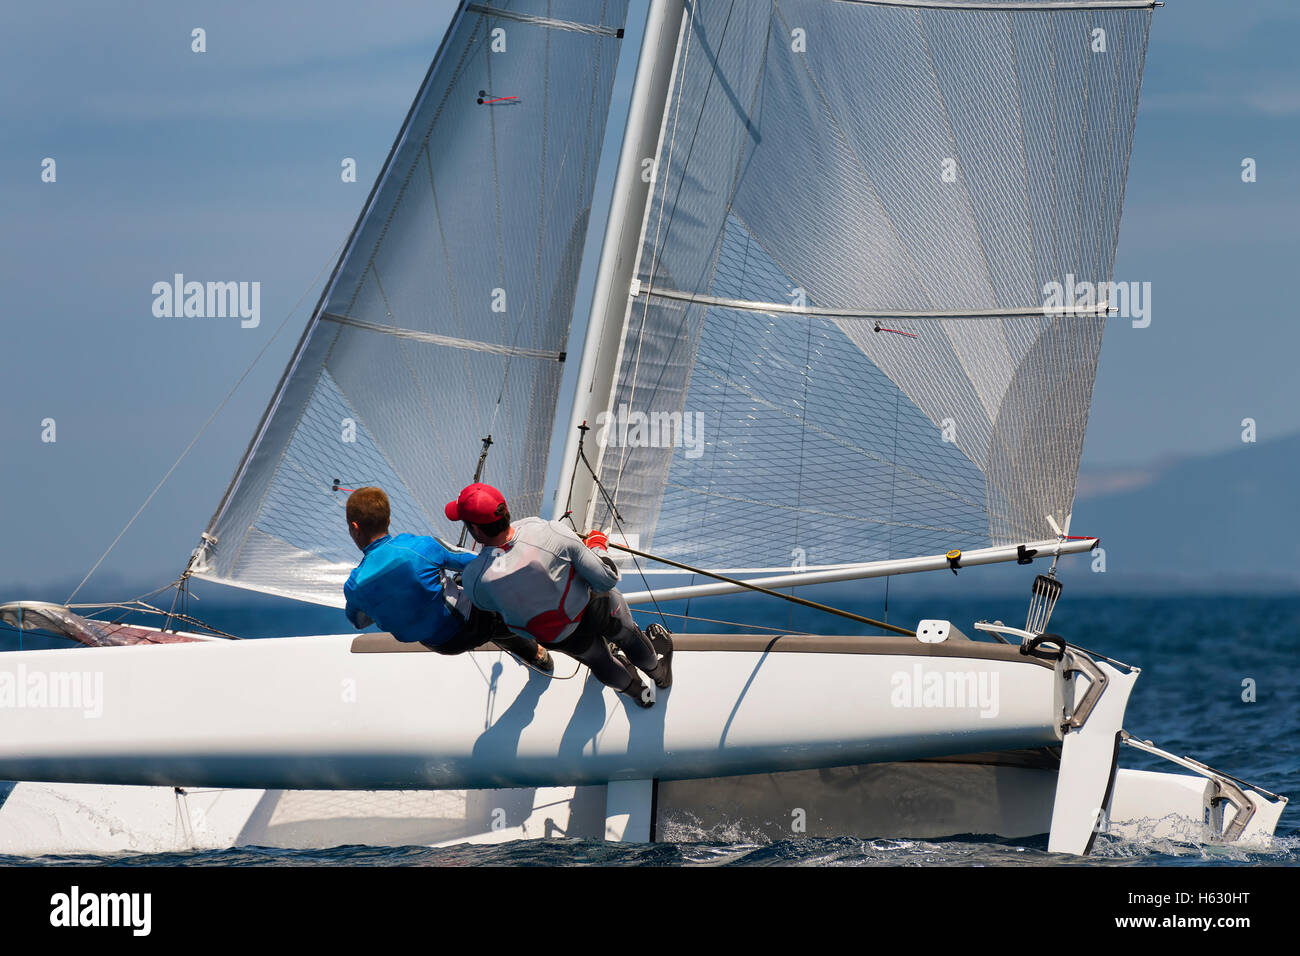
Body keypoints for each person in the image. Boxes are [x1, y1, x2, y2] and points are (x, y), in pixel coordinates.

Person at [445, 482, 672, 708]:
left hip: (560, 635)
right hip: (596, 608)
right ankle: (660, 675)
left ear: (475, 529)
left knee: (599, 661)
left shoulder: (474, 579)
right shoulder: (547, 530)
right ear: (506, 511)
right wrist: (596, 546)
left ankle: (640, 695)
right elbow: (606, 578)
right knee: (628, 637)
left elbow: (491, 605)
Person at [343, 486, 552, 671]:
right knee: (482, 588)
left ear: (355, 527)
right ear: (388, 521)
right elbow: (479, 562)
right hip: (473, 625)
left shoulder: (354, 586)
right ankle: (536, 650)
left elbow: (359, 621)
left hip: (439, 645)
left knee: (461, 589)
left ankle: (526, 646)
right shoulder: (420, 547)